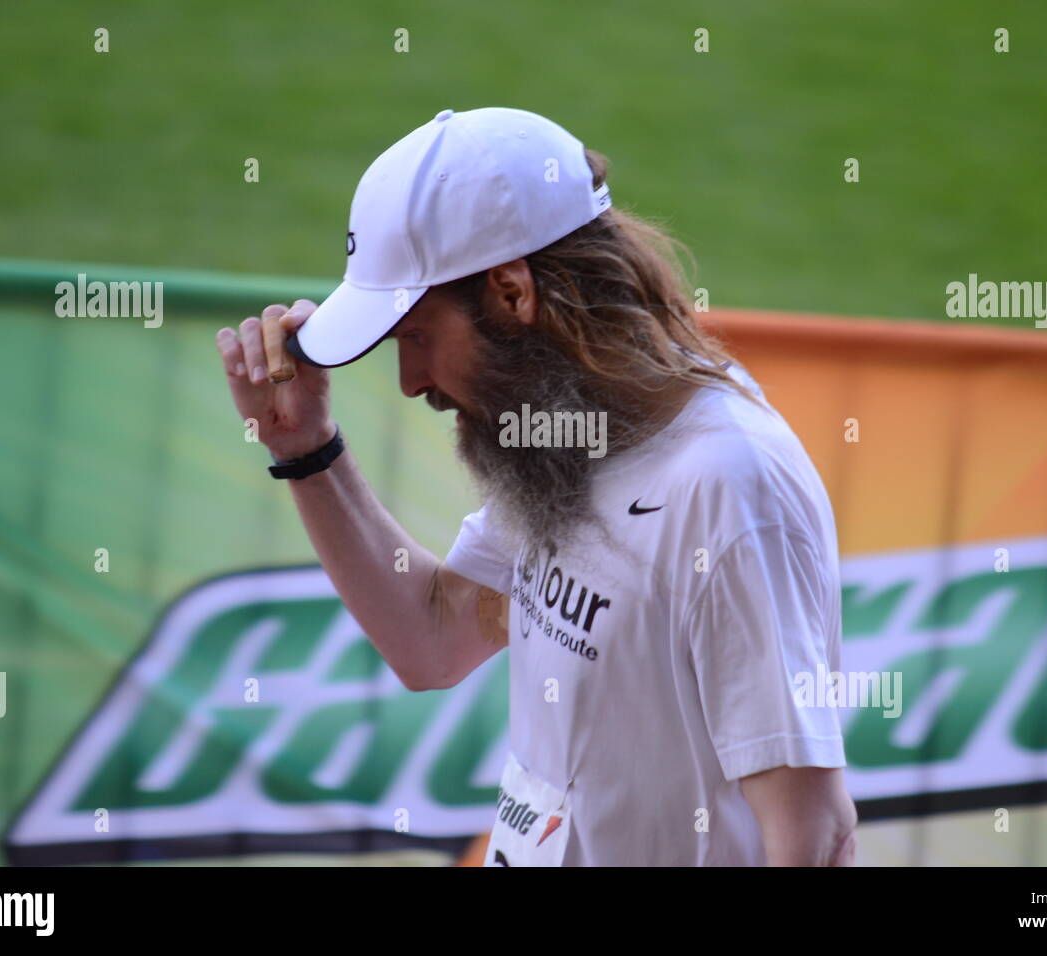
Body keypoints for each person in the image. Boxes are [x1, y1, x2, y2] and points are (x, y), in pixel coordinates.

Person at [214, 107, 857, 866]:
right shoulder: (577, 434)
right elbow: (434, 639)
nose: (410, 380)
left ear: (512, 294)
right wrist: (306, 448)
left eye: (415, 338)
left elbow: (814, 832)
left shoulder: (724, 484)